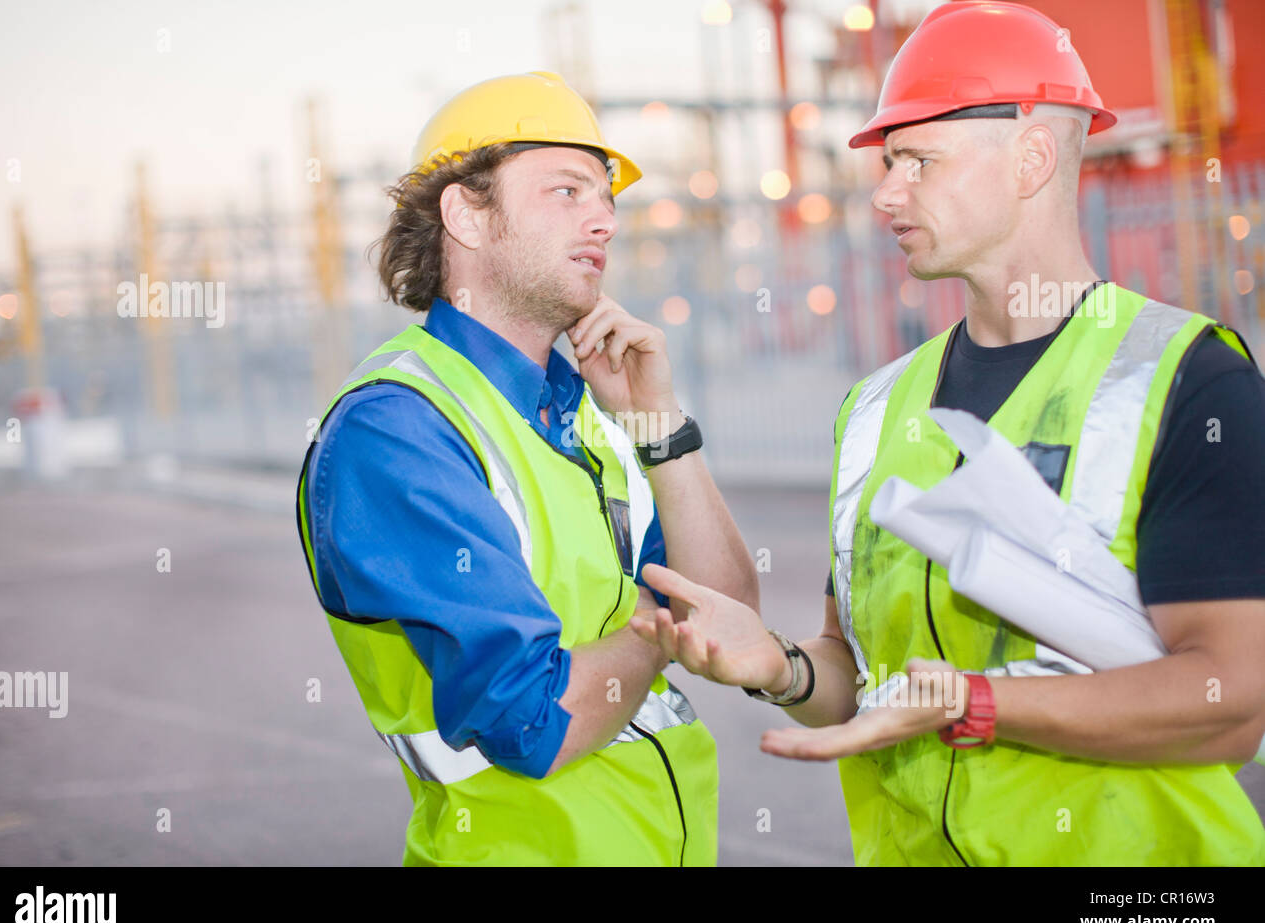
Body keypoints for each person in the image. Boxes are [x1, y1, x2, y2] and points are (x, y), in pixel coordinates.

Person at [630, 1, 1265, 865]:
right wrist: (781, 666)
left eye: (918, 161)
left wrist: (972, 703)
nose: (887, 193)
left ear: (1033, 159)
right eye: (887, 163)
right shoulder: (876, 411)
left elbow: (1233, 700)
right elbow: (858, 681)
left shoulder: (1186, 380)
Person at [295, 71, 758, 866]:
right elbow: (536, 721)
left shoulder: (585, 406)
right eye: (568, 191)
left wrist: (660, 426)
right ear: (466, 214)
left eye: (607, 197)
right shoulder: (398, 426)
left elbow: (731, 613)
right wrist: (662, 625)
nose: (605, 220)